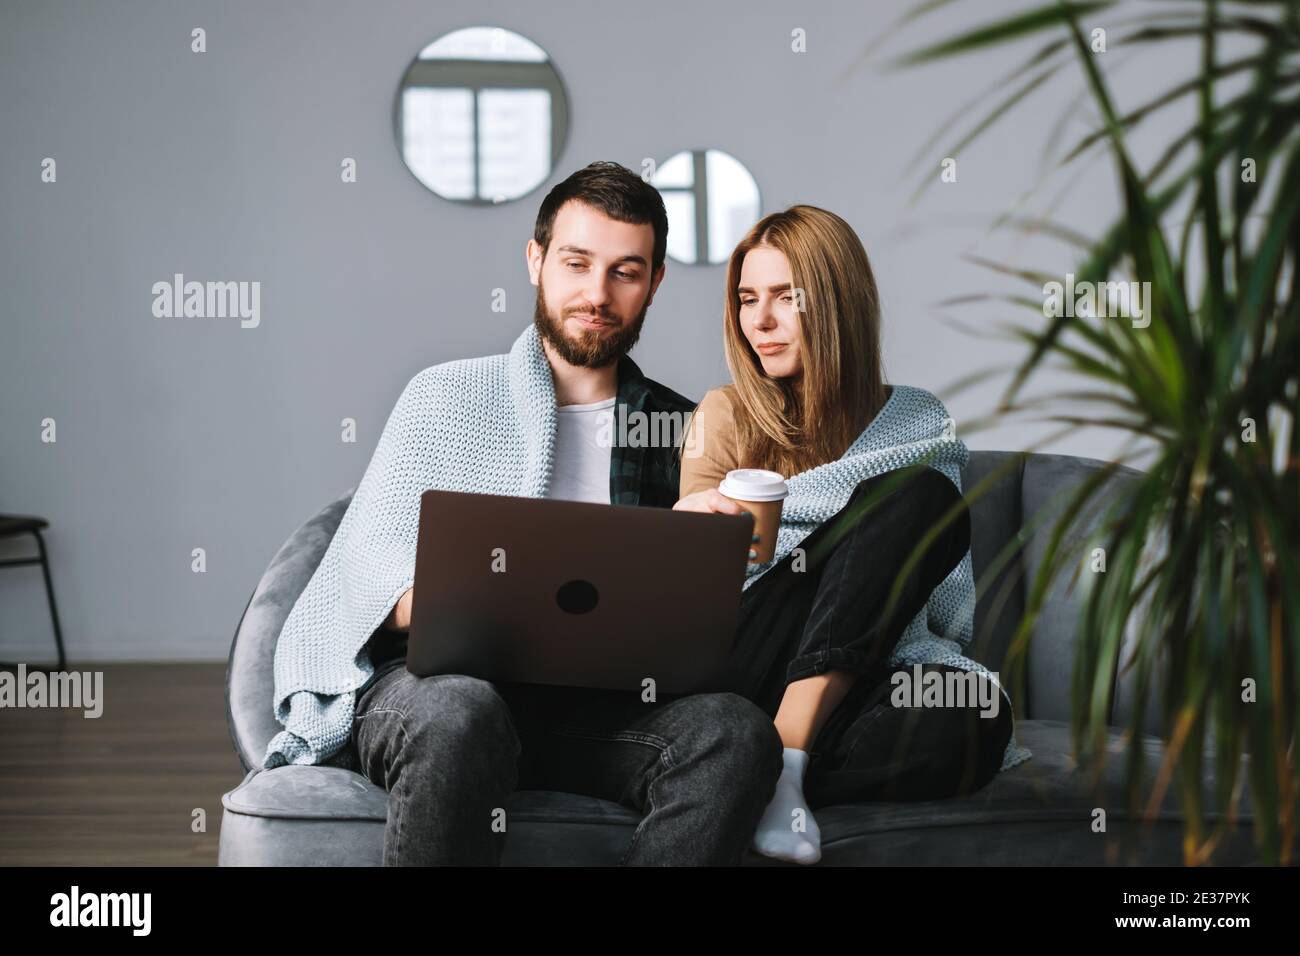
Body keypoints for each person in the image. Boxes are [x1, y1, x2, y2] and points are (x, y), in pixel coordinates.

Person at [265, 161, 784, 865]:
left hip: (597, 710)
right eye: (577, 263)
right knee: (461, 712)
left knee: (735, 730)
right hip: (439, 694)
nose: (597, 294)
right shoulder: (445, 397)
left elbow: (713, 627)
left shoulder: (685, 430)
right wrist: (497, 601)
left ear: (655, 283)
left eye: (626, 272)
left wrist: (708, 546)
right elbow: (370, 585)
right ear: (536, 260)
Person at [673, 205, 1030, 865]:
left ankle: (762, 764)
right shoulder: (720, 413)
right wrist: (695, 521)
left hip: (864, 662)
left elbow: (929, 592)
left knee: (972, 719)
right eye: (748, 299)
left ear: (837, 302)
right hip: (747, 651)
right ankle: (783, 762)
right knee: (913, 492)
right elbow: (689, 574)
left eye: (786, 297)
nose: (762, 321)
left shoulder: (919, 419)